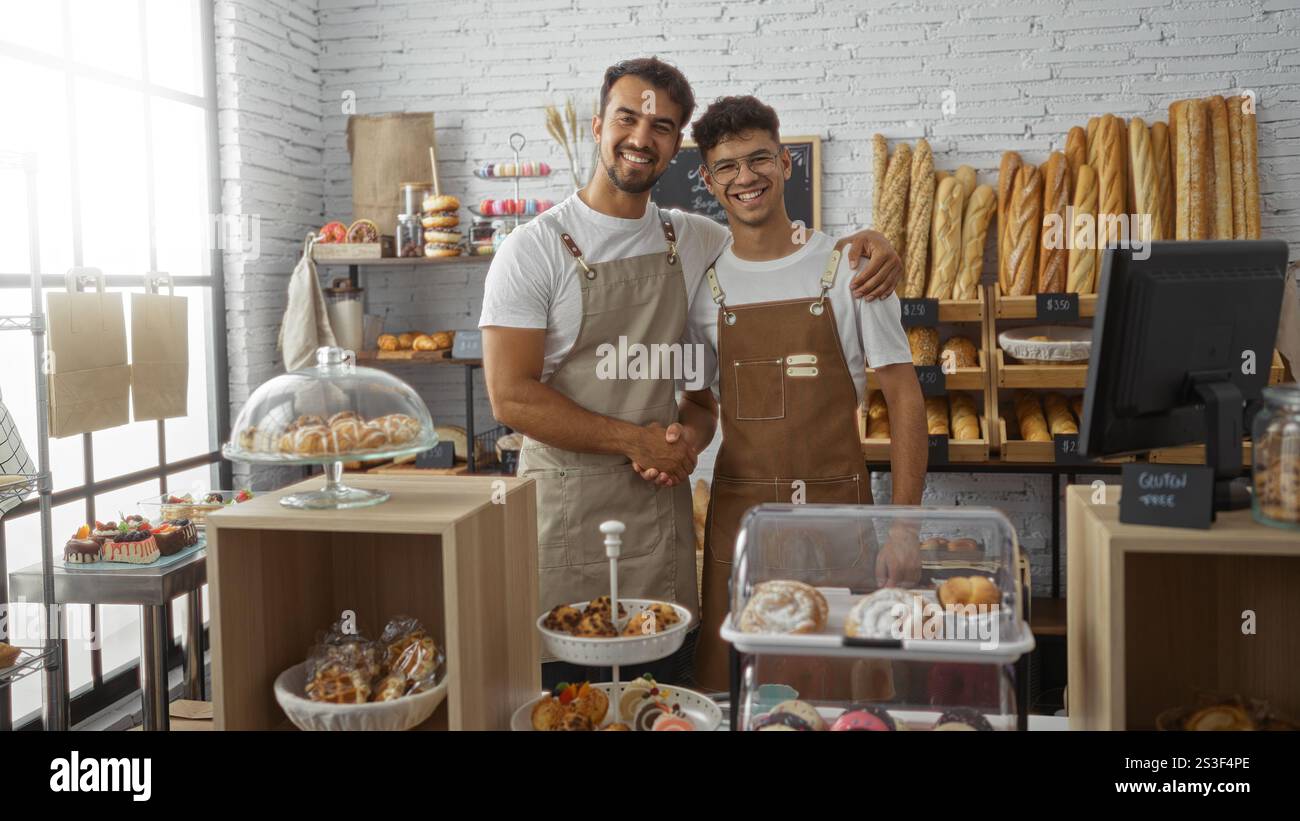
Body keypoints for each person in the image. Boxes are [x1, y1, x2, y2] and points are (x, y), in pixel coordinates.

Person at [479, 59, 903, 688]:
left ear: (677, 148)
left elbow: (710, 384)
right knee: (571, 697)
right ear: (599, 125)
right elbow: (509, 396)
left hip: (660, 522)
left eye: (662, 126)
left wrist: (868, 242)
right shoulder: (533, 249)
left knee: (669, 698)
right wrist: (633, 440)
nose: (641, 137)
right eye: (628, 117)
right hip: (565, 522)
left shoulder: (696, 239)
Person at [663, 95, 928, 692]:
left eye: (759, 160)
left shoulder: (853, 267)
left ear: (786, 164)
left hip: (843, 524)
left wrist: (906, 530)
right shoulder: (702, 292)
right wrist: (676, 442)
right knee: (737, 695)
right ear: (708, 180)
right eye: (727, 167)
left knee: (844, 697)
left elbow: (905, 399)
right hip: (743, 528)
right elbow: (701, 404)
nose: (745, 178)